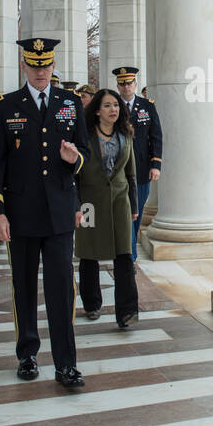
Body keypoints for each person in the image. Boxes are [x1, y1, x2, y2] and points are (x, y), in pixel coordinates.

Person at [0, 37, 90, 389]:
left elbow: (84, 154)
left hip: (59, 212)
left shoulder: (70, 103)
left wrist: (75, 160)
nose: (41, 71)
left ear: (54, 66)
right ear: (24, 66)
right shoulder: (5, 106)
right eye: (34, 65)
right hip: (21, 212)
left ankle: (66, 364)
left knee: (61, 288)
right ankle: (27, 353)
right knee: (24, 286)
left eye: (46, 65)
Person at [75, 89, 140, 328]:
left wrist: (133, 206)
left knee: (124, 255)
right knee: (89, 253)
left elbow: (130, 172)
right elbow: (75, 175)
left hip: (119, 202)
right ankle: (92, 303)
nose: (113, 109)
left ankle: (127, 312)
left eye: (115, 105)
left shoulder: (126, 134)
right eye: (107, 106)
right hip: (89, 202)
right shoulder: (84, 135)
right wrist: (76, 205)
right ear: (96, 111)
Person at [112, 66, 162, 261]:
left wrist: (155, 164)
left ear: (135, 84)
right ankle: (128, 254)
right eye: (122, 83)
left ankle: (128, 251)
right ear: (118, 86)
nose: (126, 87)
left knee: (137, 211)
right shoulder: (112, 105)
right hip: (118, 169)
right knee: (122, 212)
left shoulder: (147, 106)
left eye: (129, 83)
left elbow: (156, 136)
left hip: (141, 169)